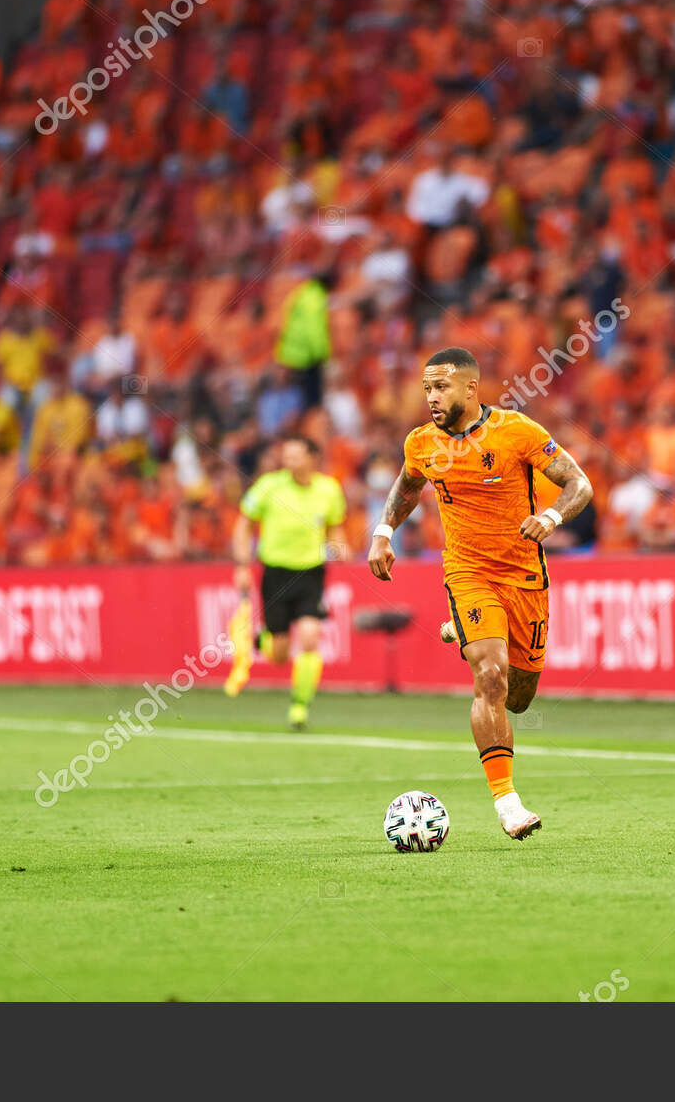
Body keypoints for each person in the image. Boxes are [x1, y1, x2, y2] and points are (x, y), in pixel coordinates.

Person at [367, 347, 593, 841]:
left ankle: (467, 628)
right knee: (490, 676)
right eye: (427, 388)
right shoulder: (421, 443)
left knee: (519, 698)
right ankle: (508, 804)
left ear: (471, 389)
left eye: (440, 387)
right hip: (468, 573)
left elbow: (579, 484)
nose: (431, 397)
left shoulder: (517, 432)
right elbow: (407, 487)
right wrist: (383, 532)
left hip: (524, 577)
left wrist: (551, 517)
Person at [224, 435, 347, 730]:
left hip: (311, 573)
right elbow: (244, 525)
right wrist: (241, 565)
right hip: (275, 573)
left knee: (310, 637)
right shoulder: (268, 486)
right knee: (278, 655)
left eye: (295, 455)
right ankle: (262, 639)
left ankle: (299, 707)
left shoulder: (329, 490)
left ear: (312, 458)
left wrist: (340, 548)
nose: (288, 461)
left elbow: (334, 529)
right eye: (286, 455)